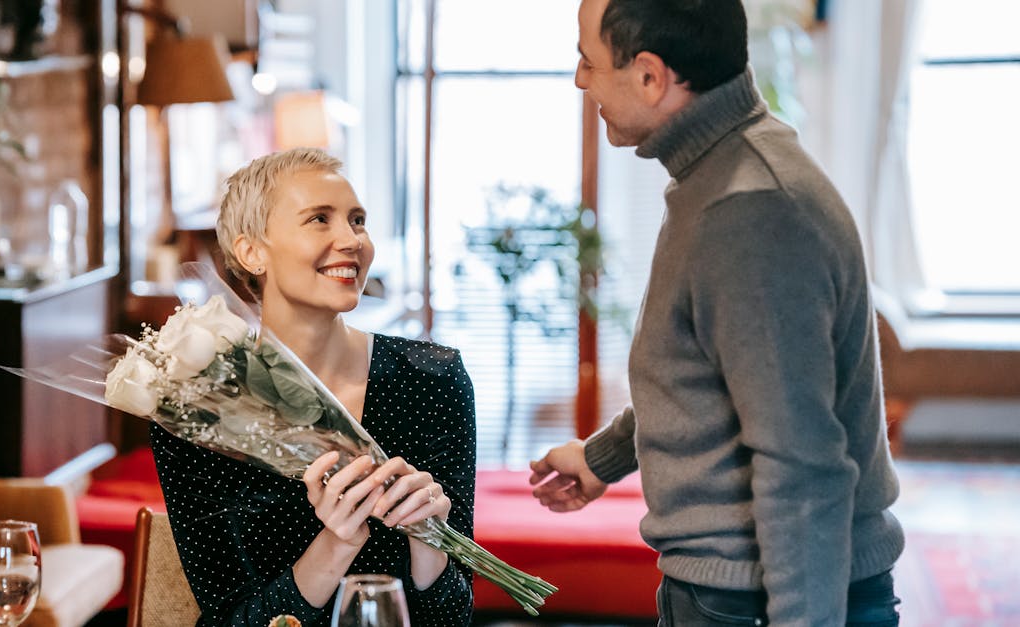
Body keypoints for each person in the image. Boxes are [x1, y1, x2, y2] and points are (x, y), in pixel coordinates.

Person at [529, 1, 905, 625]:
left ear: (650, 76)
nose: (580, 80)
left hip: (756, 601)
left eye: (587, 61)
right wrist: (603, 460)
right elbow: (710, 380)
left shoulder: (748, 211)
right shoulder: (723, 174)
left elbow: (803, 464)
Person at [150, 147, 476, 626]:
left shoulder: (433, 380)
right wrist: (337, 544)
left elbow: (454, 618)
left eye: (358, 220)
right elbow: (232, 621)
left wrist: (430, 543)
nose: (352, 240)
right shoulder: (198, 408)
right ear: (251, 252)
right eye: (319, 219)